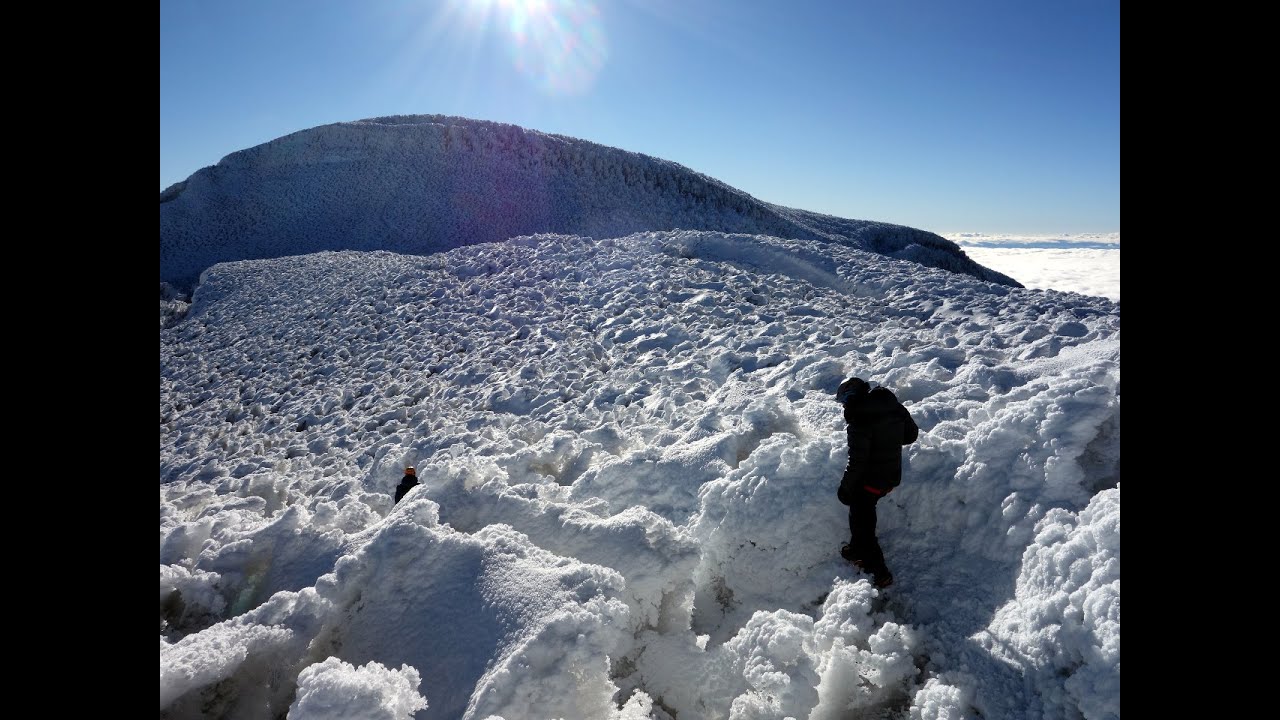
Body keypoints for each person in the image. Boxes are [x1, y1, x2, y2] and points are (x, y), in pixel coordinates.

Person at [836, 377, 919, 588]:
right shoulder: (890, 405)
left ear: (853, 398)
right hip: (891, 476)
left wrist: (845, 488)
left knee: (863, 524)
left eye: (845, 401)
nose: (844, 406)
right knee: (861, 515)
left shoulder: (859, 420)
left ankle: (879, 572)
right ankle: (855, 549)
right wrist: (887, 437)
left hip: (872, 480)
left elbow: (857, 461)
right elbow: (911, 435)